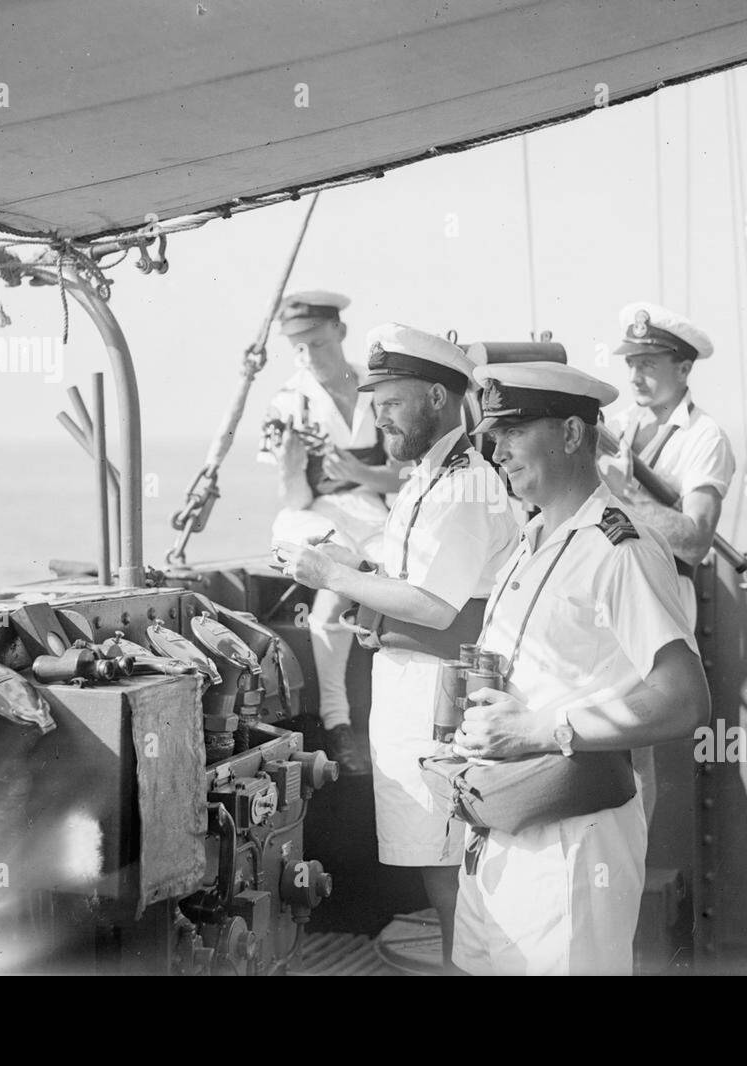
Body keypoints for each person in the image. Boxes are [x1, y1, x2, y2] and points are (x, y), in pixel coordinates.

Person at [449, 360, 710, 976]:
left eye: (514, 432)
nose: (497, 449)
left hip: (571, 841)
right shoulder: (530, 541)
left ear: (570, 434)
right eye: (493, 434)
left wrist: (540, 729)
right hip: (496, 830)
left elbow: (684, 700)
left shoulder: (622, 548)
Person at [273, 324, 519, 960]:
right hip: (416, 692)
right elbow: (418, 585)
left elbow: (438, 608)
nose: (378, 416)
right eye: (374, 402)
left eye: (392, 402)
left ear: (439, 397)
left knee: (450, 868)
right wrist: (370, 605)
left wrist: (331, 574)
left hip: (441, 699)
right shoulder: (424, 479)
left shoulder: (464, 483)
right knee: (439, 863)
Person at [263, 290, 404, 774]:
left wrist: (359, 473)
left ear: (340, 332)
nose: (307, 356)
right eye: (297, 347)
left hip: (371, 511)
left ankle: (347, 723)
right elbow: (296, 500)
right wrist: (291, 466)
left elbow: (402, 477)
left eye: (317, 344)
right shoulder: (287, 402)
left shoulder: (380, 391)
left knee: (352, 593)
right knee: (334, 553)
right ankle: (338, 723)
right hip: (317, 515)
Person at [597, 302, 736, 629]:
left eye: (646, 365)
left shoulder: (705, 437)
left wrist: (626, 493)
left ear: (684, 368)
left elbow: (695, 543)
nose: (634, 377)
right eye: (630, 364)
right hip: (606, 585)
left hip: (661, 595)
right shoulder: (615, 427)